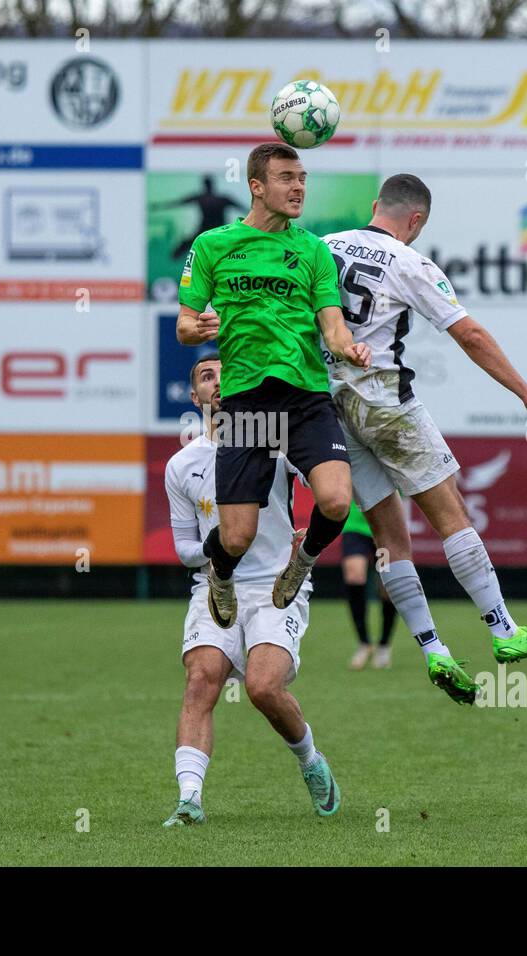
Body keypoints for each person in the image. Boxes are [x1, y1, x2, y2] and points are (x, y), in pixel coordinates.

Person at [321, 174, 527, 704]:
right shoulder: (409, 262)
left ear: (375, 206)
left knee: (391, 538)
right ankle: (504, 631)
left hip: (333, 410)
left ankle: (434, 648)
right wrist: (526, 393)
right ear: (416, 221)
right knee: (451, 513)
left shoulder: (323, 248)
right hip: (385, 402)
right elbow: (470, 334)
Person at [175, 142, 371, 635]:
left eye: (302, 177)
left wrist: (348, 347)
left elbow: (332, 326)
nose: (299, 186)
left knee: (335, 502)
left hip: (305, 398)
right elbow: (183, 325)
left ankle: (301, 560)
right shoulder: (213, 245)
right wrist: (196, 328)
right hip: (246, 404)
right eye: (286, 177)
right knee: (236, 537)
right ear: (256, 187)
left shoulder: (312, 250)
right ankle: (221, 572)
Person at [162, 355, 341, 826]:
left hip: (275, 585)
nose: (218, 382)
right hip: (214, 583)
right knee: (201, 679)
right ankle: (189, 800)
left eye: (225, 372)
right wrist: (218, 546)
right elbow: (183, 549)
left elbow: (326, 485)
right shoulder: (182, 465)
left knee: (263, 687)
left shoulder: (278, 445)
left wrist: (315, 526)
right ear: (195, 396)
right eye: (206, 376)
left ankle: (309, 760)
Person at [339, 502, 398, 670]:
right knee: (354, 575)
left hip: (384, 530)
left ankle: (384, 644)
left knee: (388, 586)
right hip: (355, 527)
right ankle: (364, 643)